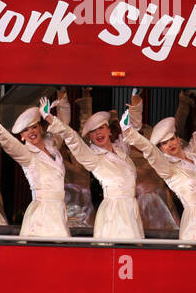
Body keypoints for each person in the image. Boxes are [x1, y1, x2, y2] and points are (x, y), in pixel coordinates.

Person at [121, 94, 196, 242]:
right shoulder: (167, 167)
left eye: (172, 139)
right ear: (161, 148)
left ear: (178, 139)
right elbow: (149, 150)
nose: (170, 144)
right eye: (164, 143)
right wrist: (130, 133)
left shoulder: (193, 154)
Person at [47, 90, 145, 240]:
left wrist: (136, 100)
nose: (98, 133)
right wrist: (51, 119)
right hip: (114, 212)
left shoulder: (121, 148)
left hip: (132, 210)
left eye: (101, 128)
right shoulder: (92, 156)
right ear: (90, 137)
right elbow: (73, 139)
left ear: (109, 130)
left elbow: (134, 128)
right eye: (92, 132)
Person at [0, 91, 71, 238]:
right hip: (42, 214)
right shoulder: (27, 155)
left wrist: (62, 98)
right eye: (25, 131)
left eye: (34, 127)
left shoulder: (52, 145)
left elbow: (63, 125)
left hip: (60, 211)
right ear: (21, 136)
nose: (31, 132)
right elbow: (9, 143)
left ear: (41, 127)